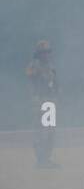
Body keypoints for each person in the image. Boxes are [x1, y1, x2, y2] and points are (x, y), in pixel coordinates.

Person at [25, 40, 58, 168]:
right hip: (40, 101)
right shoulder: (35, 65)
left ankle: (46, 159)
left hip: (50, 101)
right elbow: (30, 75)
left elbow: (54, 83)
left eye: (48, 52)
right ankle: (41, 160)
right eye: (44, 52)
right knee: (42, 131)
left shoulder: (50, 66)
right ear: (39, 53)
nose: (47, 54)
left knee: (50, 131)